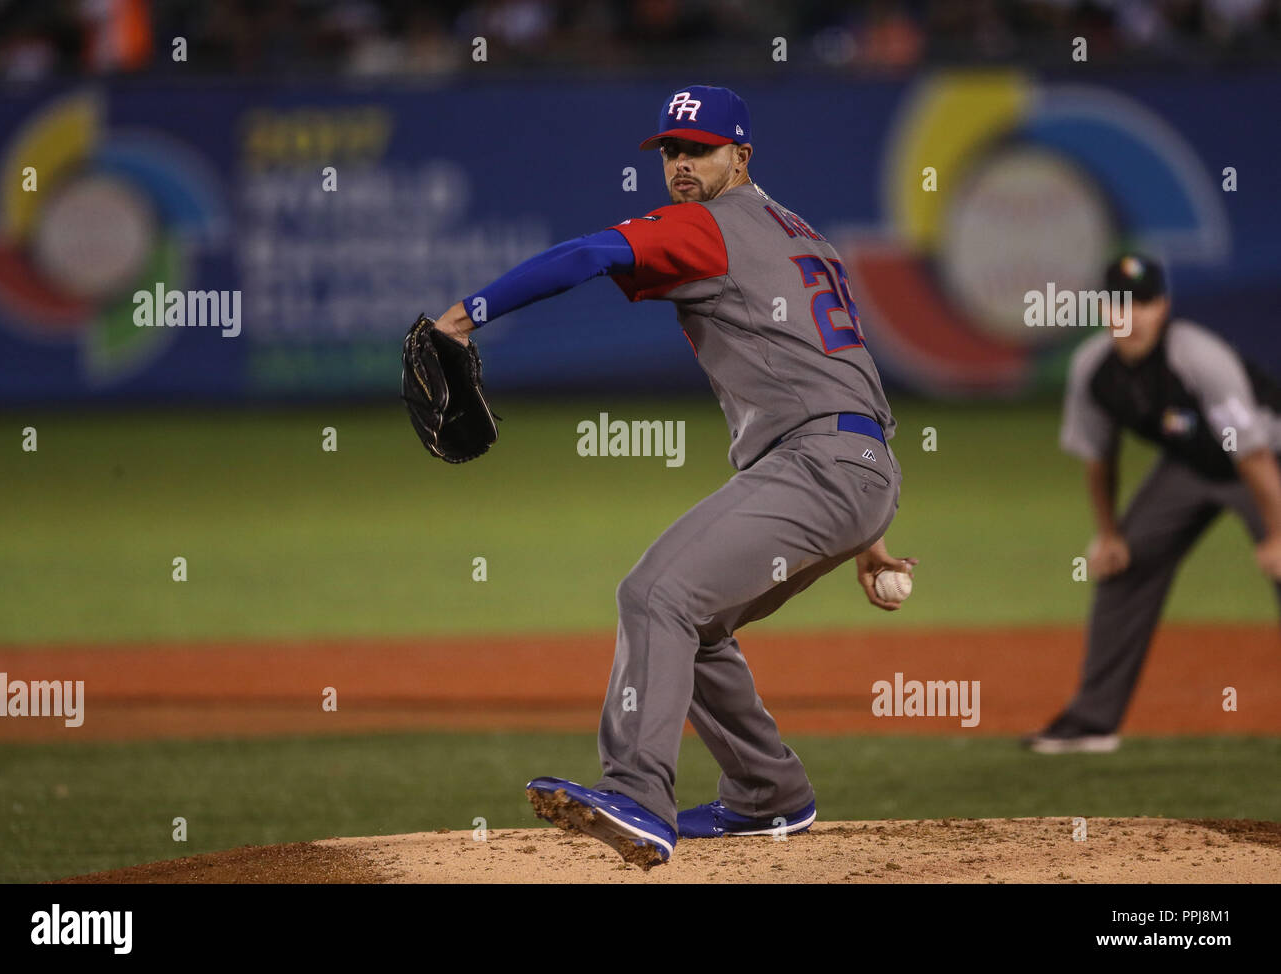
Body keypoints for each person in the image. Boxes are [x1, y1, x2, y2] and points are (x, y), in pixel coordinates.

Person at [430, 85, 913, 868]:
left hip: (818, 466)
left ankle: (637, 797)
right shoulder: (804, 238)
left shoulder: (708, 228)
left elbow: (587, 255)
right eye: (672, 152)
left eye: (702, 149)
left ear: (741, 156)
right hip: (857, 466)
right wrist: (871, 531)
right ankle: (767, 794)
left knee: (653, 596)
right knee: (699, 623)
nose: (683, 166)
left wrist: (464, 315)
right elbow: (845, 377)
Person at [1026, 253, 1281, 754]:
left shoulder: (1198, 357)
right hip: (1190, 467)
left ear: (1162, 307)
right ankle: (1093, 721)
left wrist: (1277, 534)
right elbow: (1100, 459)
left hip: (1265, 462)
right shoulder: (1094, 369)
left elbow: (1250, 455)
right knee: (1123, 564)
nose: (1131, 316)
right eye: (1120, 304)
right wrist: (1109, 533)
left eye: (1143, 303)